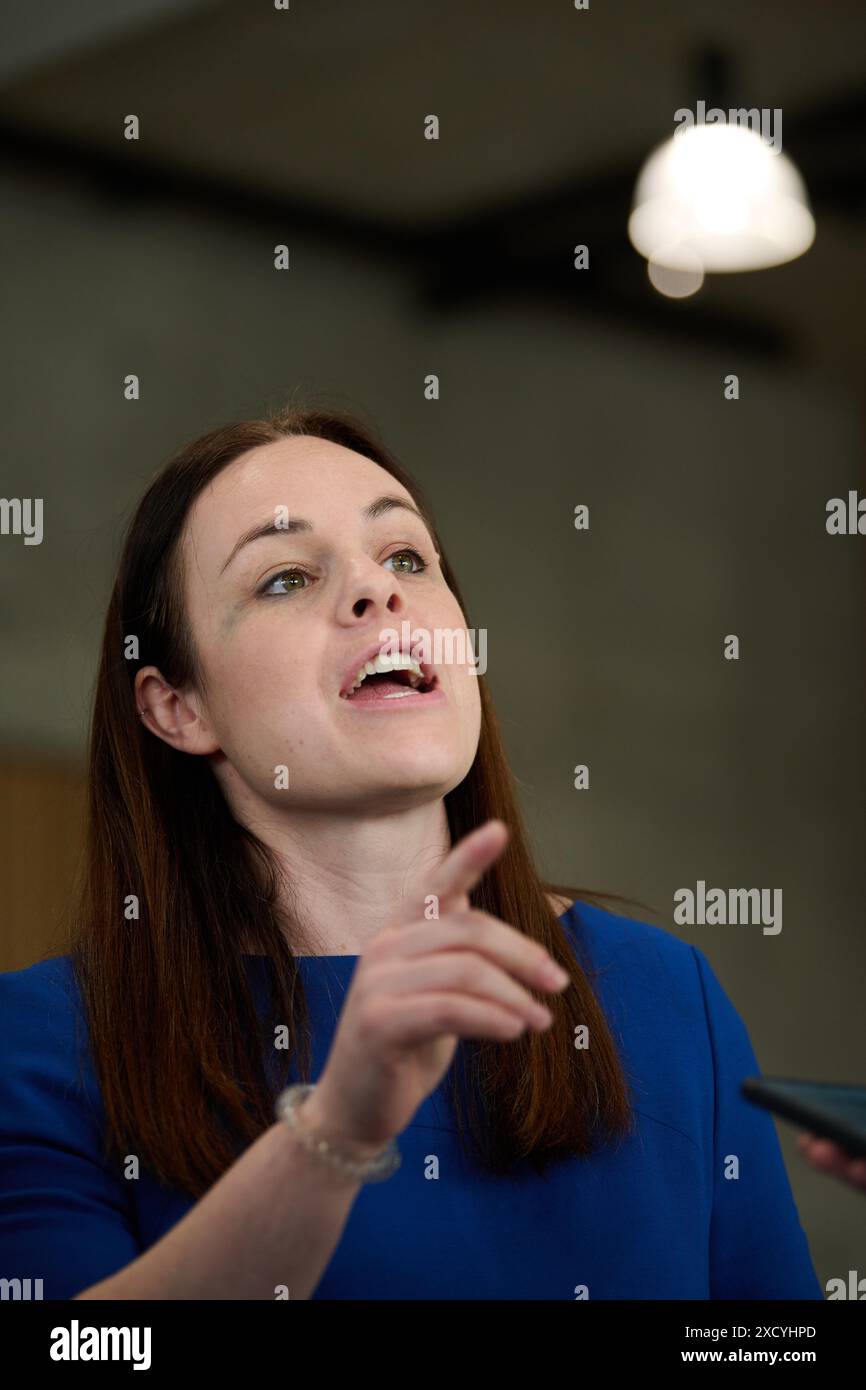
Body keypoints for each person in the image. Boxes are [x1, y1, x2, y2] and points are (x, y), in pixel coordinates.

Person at [0, 404, 821, 1299]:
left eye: (405, 558)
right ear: (177, 709)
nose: (377, 591)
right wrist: (336, 1135)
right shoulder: (41, 1047)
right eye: (283, 578)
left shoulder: (668, 1001)